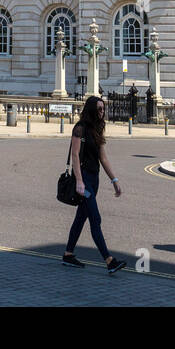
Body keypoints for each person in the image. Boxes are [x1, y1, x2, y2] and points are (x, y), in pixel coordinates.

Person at [61, 96, 126, 274]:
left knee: (81, 218)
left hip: (94, 179)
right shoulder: (79, 128)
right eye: (98, 109)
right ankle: (109, 260)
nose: (102, 112)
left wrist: (114, 180)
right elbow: (74, 155)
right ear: (91, 109)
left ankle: (68, 254)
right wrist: (79, 181)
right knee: (95, 219)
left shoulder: (97, 129)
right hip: (84, 181)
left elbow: (103, 158)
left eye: (103, 109)